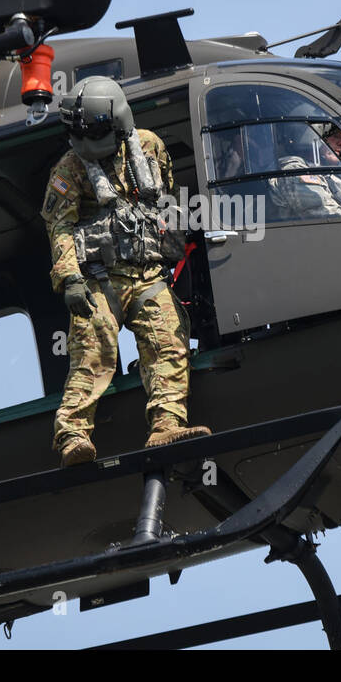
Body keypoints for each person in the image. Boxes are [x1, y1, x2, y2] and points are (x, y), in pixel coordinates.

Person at [41, 76, 210, 467]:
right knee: (93, 348)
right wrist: (70, 277)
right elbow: (60, 226)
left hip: (148, 273)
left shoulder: (150, 147)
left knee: (168, 339)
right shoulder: (69, 169)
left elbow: (164, 199)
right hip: (99, 279)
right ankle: (72, 436)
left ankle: (166, 426)